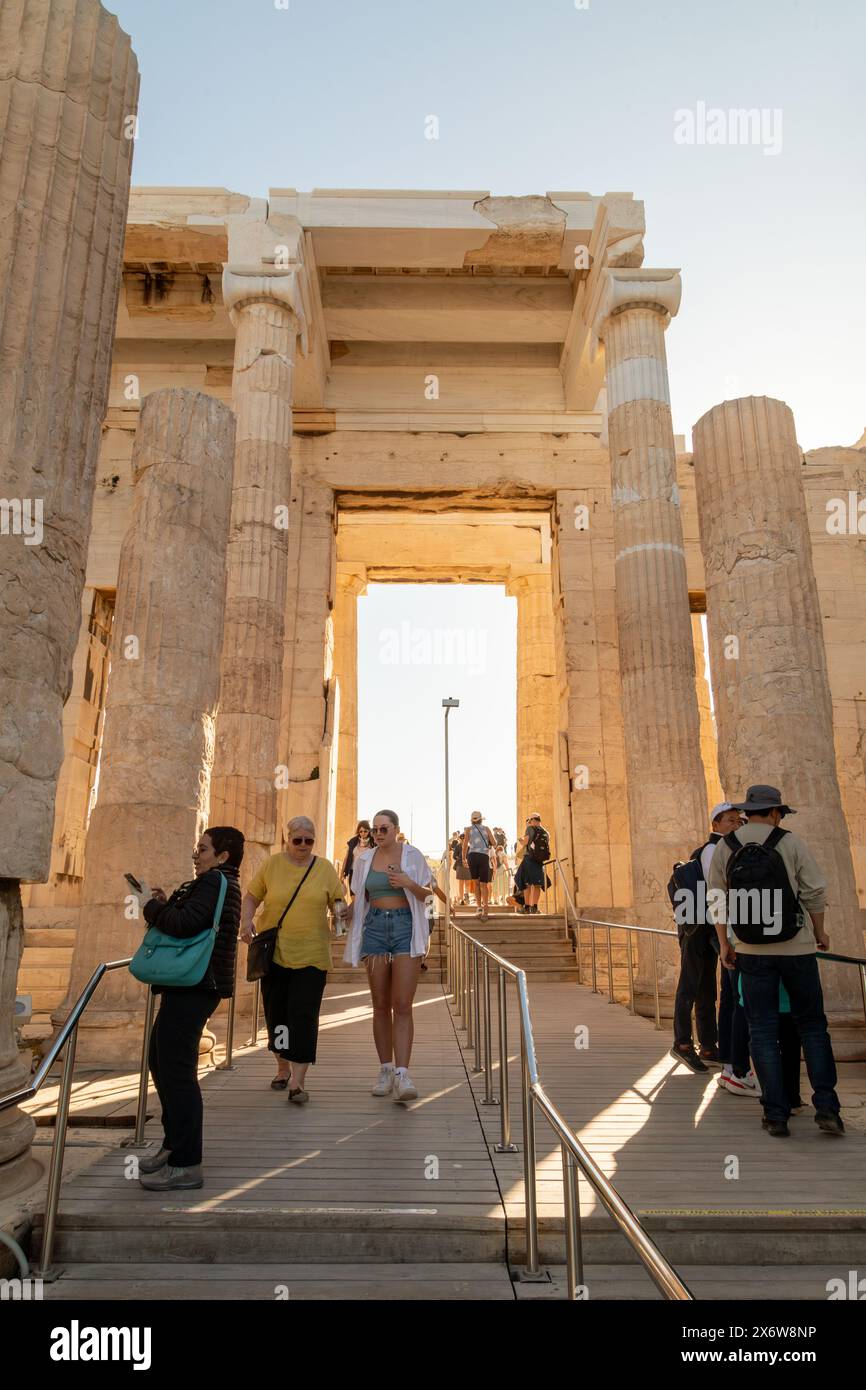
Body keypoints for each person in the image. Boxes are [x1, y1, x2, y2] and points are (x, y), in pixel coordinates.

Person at [708, 784, 843, 1139]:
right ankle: (827, 1106)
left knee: (763, 1031)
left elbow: (716, 900)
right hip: (796, 949)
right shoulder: (790, 842)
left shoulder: (727, 845)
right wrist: (820, 932)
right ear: (773, 812)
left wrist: (725, 944)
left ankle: (775, 1114)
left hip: (751, 951)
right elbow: (814, 890)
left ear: (747, 812)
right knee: (812, 1026)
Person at [137, 826, 244, 1191]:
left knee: (178, 1073)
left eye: (203, 848)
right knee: (160, 1061)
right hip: (193, 984)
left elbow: (183, 926)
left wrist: (150, 907)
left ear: (223, 855)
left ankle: (186, 1163)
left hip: (197, 984)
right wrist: (167, 903)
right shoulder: (216, 882)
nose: (195, 854)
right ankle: (173, 1145)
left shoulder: (214, 881)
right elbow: (191, 919)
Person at [240, 816, 347, 1104]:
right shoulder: (273, 865)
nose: (302, 845)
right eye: (297, 840)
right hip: (275, 953)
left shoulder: (324, 869)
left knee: (304, 1015)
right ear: (287, 839)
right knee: (278, 1016)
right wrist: (247, 919)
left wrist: (341, 912)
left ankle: (298, 1083)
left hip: (312, 954)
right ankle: (282, 1066)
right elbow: (251, 896)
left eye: (308, 841)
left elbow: (339, 902)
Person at [344, 809, 435, 1103]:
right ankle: (385, 1069)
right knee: (380, 1003)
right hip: (375, 929)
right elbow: (359, 896)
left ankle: (402, 1073)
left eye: (384, 828)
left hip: (405, 927)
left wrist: (408, 883)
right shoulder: (364, 860)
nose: (378, 833)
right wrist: (348, 912)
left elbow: (429, 896)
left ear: (396, 829)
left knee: (403, 1003)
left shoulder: (413, 856)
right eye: (375, 829)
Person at [669, 802, 740, 1074]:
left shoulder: (723, 848)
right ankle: (683, 1043)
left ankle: (709, 1045)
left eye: (738, 821)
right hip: (700, 926)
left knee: (707, 987)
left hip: (709, 925)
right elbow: (717, 890)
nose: (735, 825)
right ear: (716, 825)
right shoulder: (714, 849)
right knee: (690, 984)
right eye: (730, 821)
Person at [462, 812, 495, 920]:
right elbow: (494, 843)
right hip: (483, 856)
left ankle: (479, 907)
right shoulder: (486, 828)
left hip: (472, 856)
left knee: (476, 883)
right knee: (483, 884)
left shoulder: (468, 829)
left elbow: (465, 845)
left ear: (472, 820)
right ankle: (485, 907)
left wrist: (463, 858)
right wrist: (487, 842)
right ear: (481, 819)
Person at [515, 813, 550, 914]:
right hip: (539, 860)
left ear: (531, 820)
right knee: (537, 884)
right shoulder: (545, 832)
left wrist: (520, 839)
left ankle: (526, 907)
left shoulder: (530, 829)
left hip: (529, 859)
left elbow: (525, 842)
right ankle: (534, 907)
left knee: (527, 884)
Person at [342, 820, 372, 897]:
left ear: (369, 831)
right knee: (354, 898)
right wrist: (342, 873)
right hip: (353, 873)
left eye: (365, 831)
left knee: (365, 899)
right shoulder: (353, 841)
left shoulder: (373, 842)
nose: (363, 833)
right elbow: (346, 858)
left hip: (367, 874)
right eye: (361, 831)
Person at [450, 831, 471, 906]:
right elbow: (454, 856)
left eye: (464, 839)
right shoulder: (458, 847)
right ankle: (461, 898)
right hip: (459, 865)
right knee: (461, 883)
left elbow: (471, 856)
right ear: (460, 839)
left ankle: (466, 895)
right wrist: (460, 858)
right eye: (462, 839)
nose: (463, 840)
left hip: (467, 866)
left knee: (467, 882)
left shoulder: (469, 847)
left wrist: (468, 860)